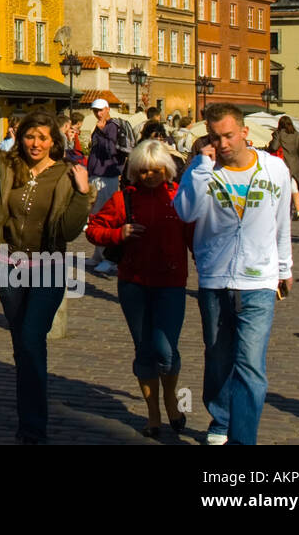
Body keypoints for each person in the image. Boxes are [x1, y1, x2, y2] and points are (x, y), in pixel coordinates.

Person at [174, 103, 294, 446]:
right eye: (215, 136)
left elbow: (281, 222)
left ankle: (243, 439)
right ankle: (221, 419)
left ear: (244, 132)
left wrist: (284, 267)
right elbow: (185, 212)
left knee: (251, 365)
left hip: (259, 281)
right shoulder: (202, 169)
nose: (223, 143)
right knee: (217, 356)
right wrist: (202, 166)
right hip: (215, 280)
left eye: (228, 135)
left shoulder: (274, 169)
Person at [0, 112, 93, 444]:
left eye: (43, 137)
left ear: (54, 141)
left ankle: (32, 428)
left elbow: (68, 230)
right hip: (7, 265)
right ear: (20, 137)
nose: (36, 143)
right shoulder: (5, 166)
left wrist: (82, 194)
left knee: (30, 339)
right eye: (30, 136)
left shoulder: (65, 175)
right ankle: (28, 420)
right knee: (22, 347)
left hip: (49, 266)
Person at [87, 140, 194, 437]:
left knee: (165, 349)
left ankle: (171, 397)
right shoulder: (124, 200)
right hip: (134, 283)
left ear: (167, 169)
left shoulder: (179, 198)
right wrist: (118, 233)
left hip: (170, 284)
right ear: (134, 171)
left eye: (156, 170)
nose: (150, 175)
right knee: (144, 350)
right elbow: (94, 230)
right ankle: (153, 414)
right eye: (143, 171)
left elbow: (196, 238)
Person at [87, 98, 124, 272]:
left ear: (108, 109)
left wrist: (102, 132)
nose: (98, 113)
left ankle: (109, 258)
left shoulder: (111, 126)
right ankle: (98, 254)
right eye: (95, 110)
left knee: (106, 216)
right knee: (95, 214)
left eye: (100, 110)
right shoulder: (99, 126)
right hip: (96, 174)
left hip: (107, 175)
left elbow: (112, 151)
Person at [266, 116, 299, 220]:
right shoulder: (297, 135)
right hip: (296, 166)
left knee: (283, 190)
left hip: (282, 165)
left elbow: (274, 147)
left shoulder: (279, 133)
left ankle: (285, 211)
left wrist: (270, 145)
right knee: (295, 189)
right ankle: (297, 210)